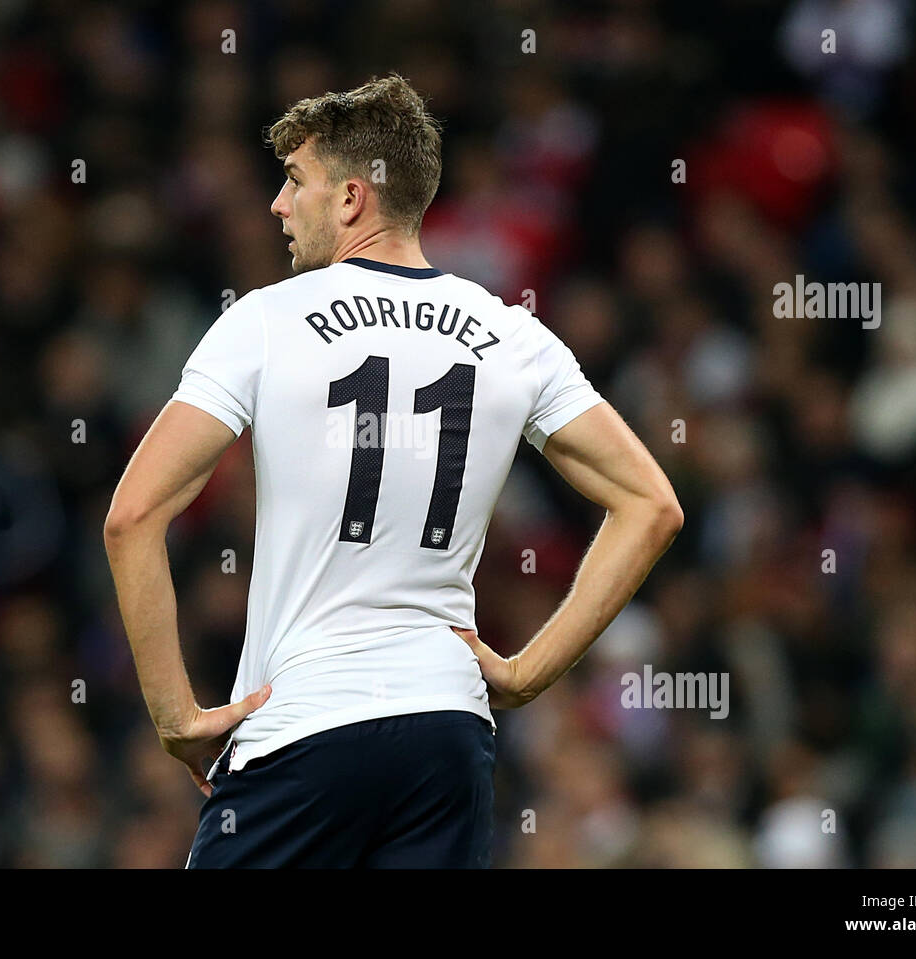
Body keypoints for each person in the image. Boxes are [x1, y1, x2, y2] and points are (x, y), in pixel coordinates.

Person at [103, 74, 683, 868]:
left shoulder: (265, 321)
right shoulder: (514, 335)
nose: (278, 204)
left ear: (349, 199)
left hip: (303, 726)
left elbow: (132, 515)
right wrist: (526, 672)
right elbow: (652, 505)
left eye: (294, 181)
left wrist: (173, 715)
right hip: (446, 733)